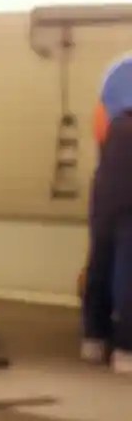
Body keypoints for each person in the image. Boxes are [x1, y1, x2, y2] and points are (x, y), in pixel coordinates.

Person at [81, 52, 132, 373]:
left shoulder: (117, 69)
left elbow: (99, 127)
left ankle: (94, 338)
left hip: (110, 169)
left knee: (102, 252)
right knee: (130, 260)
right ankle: (127, 349)